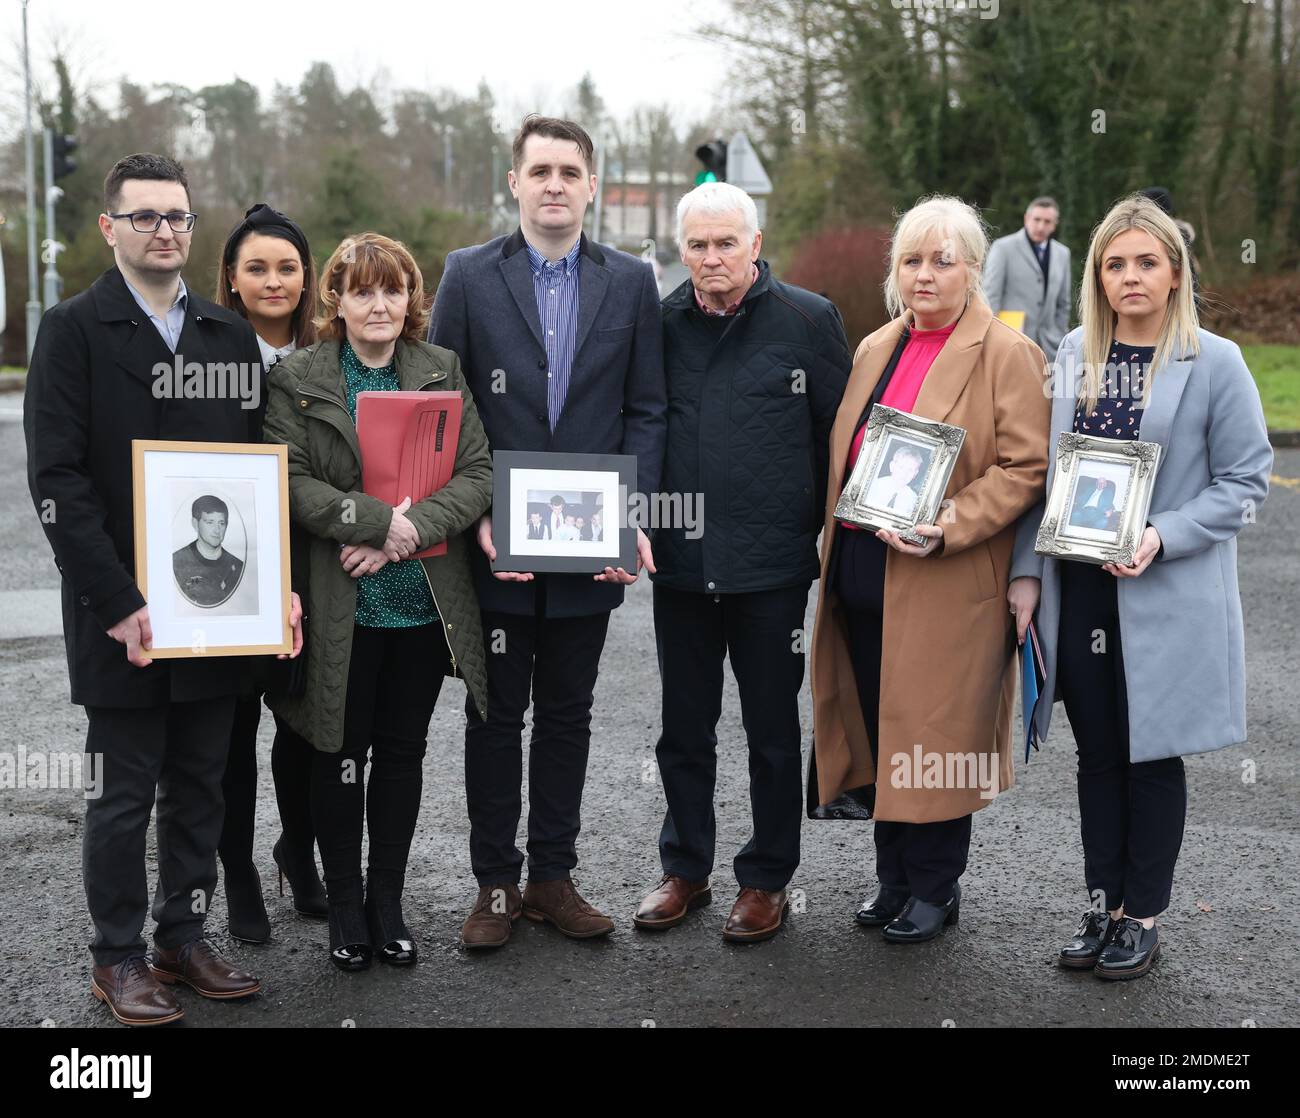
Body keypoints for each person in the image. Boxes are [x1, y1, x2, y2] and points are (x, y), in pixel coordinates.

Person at [24, 152, 302, 1026]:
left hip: (217, 612)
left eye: (177, 215)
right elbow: (58, 481)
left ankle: (183, 937)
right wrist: (116, 602)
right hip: (126, 616)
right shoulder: (73, 330)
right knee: (122, 795)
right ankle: (117, 957)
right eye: (144, 216)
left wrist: (277, 586)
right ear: (109, 227)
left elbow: (259, 474)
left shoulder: (227, 337)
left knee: (201, 784)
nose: (164, 230)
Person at [1009, 195, 1271, 979]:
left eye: (1146, 262)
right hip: (1080, 588)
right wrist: (1027, 575)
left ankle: (1142, 916)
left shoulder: (1213, 360)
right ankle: (1104, 905)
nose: (1130, 276)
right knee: (1097, 753)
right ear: (1098, 275)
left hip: (1162, 589)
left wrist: (1162, 535)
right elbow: (1046, 477)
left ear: (1175, 272)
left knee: (1150, 753)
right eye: (1115, 263)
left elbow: (1246, 481)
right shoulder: (1074, 352)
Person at [430, 115, 666, 948]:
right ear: (516, 183)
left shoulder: (631, 282)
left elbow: (646, 407)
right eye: (541, 171)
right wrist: (477, 510)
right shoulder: (467, 275)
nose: (555, 184)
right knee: (494, 717)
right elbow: (446, 405)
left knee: (569, 715)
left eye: (570, 171)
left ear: (591, 185)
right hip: (497, 543)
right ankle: (495, 887)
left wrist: (632, 513)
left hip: (590, 545)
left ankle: (553, 879)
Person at [808, 195, 1050, 944]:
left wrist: (948, 524)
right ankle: (893, 878)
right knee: (883, 727)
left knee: (936, 738)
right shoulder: (876, 346)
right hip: (862, 568)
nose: (924, 275)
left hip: (944, 576)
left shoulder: (1008, 353)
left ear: (972, 269)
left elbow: (1026, 468)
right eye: (911, 260)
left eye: (942, 261)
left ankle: (935, 887)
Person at [263, 232, 493, 971]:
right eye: (362, 290)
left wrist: (405, 533)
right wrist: (369, 521)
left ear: (411, 299)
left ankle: (387, 900)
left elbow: (477, 472)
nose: (379, 304)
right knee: (338, 751)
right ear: (336, 299)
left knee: (401, 754)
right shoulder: (299, 376)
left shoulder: (440, 368)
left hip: (421, 601)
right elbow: (288, 477)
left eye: (392, 289)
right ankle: (345, 904)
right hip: (342, 601)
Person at [634, 181, 850, 943]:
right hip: (682, 565)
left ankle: (766, 880)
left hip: (772, 571)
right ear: (681, 250)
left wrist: (814, 529)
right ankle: (685, 869)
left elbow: (838, 437)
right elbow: (642, 426)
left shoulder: (809, 320)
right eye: (698, 244)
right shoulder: (660, 325)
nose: (712, 257)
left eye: (727, 242)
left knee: (771, 732)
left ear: (755, 245)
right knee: (683, 729)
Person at [211, 203, 326, 943]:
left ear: (306, 277)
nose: (273, 280)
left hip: (312, 562)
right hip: (236, 563)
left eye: (287, 267)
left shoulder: (329, 353)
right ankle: (239, 873)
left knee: (305, 725)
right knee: (231, 729)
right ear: (232, 277)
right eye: (257, 267)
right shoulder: (207, 353)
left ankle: (298, 850)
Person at [982, 196, 1072, 362]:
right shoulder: (1003, 248)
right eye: (1037, 219)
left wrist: (1060, 334)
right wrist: (992, 337)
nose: (1041, 226)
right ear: (1026, 219)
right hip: (1011, 342)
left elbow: (1063, 303)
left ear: (1054, 224)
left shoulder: (1062, 253)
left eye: (1047, 221)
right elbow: (990, 296)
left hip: (1050, 348)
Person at [172, 495, 245, 606]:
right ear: (195, 524)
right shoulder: (176, 562)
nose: (217, 530)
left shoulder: (238, 567)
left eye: (221, 523)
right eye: (210, 522)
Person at [864, 446, 923, 516]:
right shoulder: (873, 486)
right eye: (901, 467)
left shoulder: (913, 500)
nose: (904, 473)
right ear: (891, 466)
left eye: (910, 470)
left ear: (915, 474)